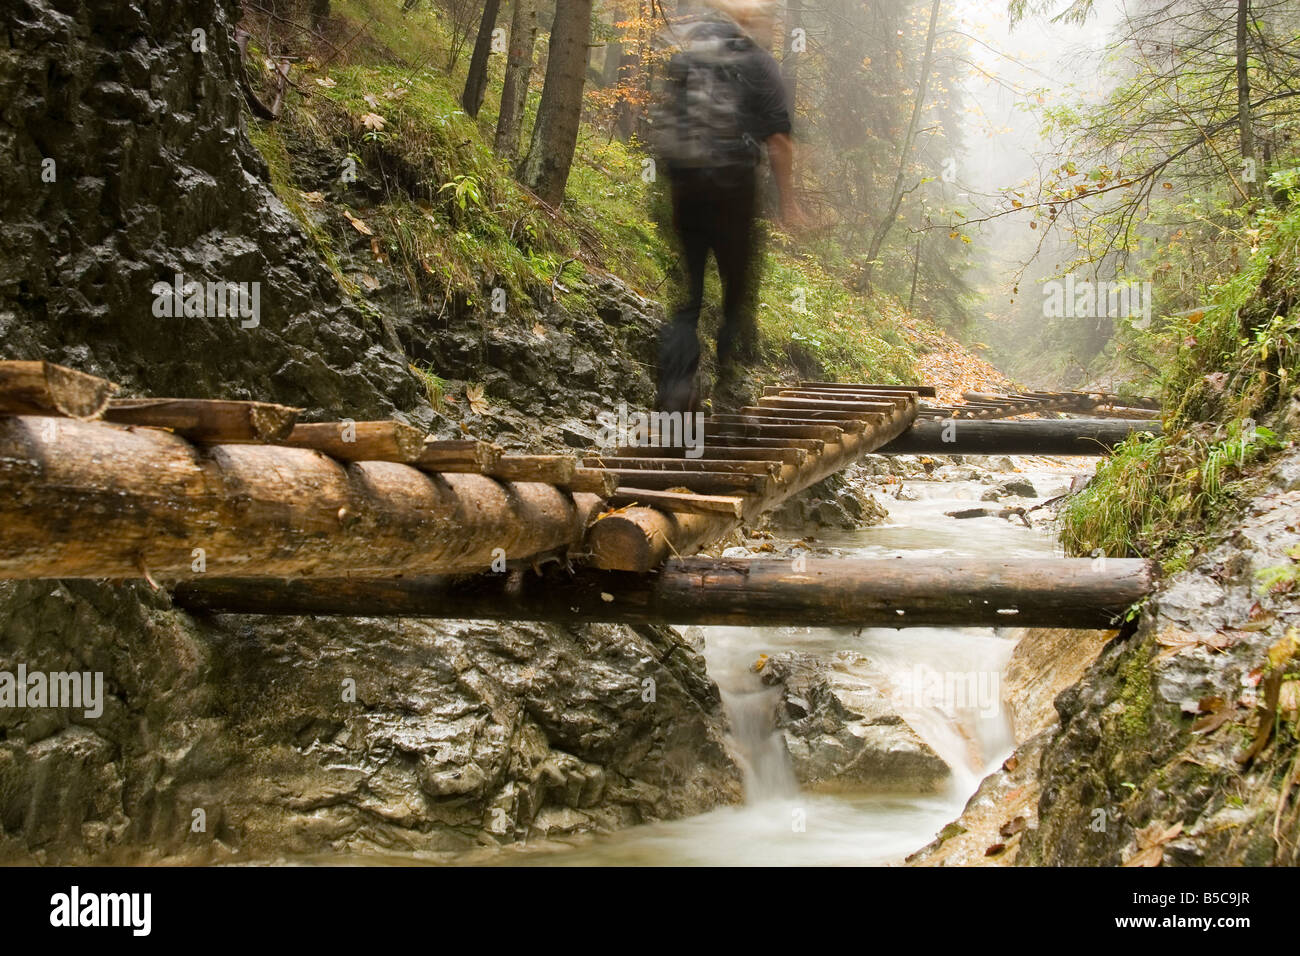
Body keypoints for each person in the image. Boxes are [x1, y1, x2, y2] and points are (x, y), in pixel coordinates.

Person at [653, 0, 808, 414]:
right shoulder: (760, 64)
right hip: (734, 192)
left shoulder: (689, 58)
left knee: (688, 295)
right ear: (750, 23)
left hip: (687, 188)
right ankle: (729, 378)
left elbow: (667, 121)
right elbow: (778, 140)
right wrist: (788, 202)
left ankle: (676, 388)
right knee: (737, 289)